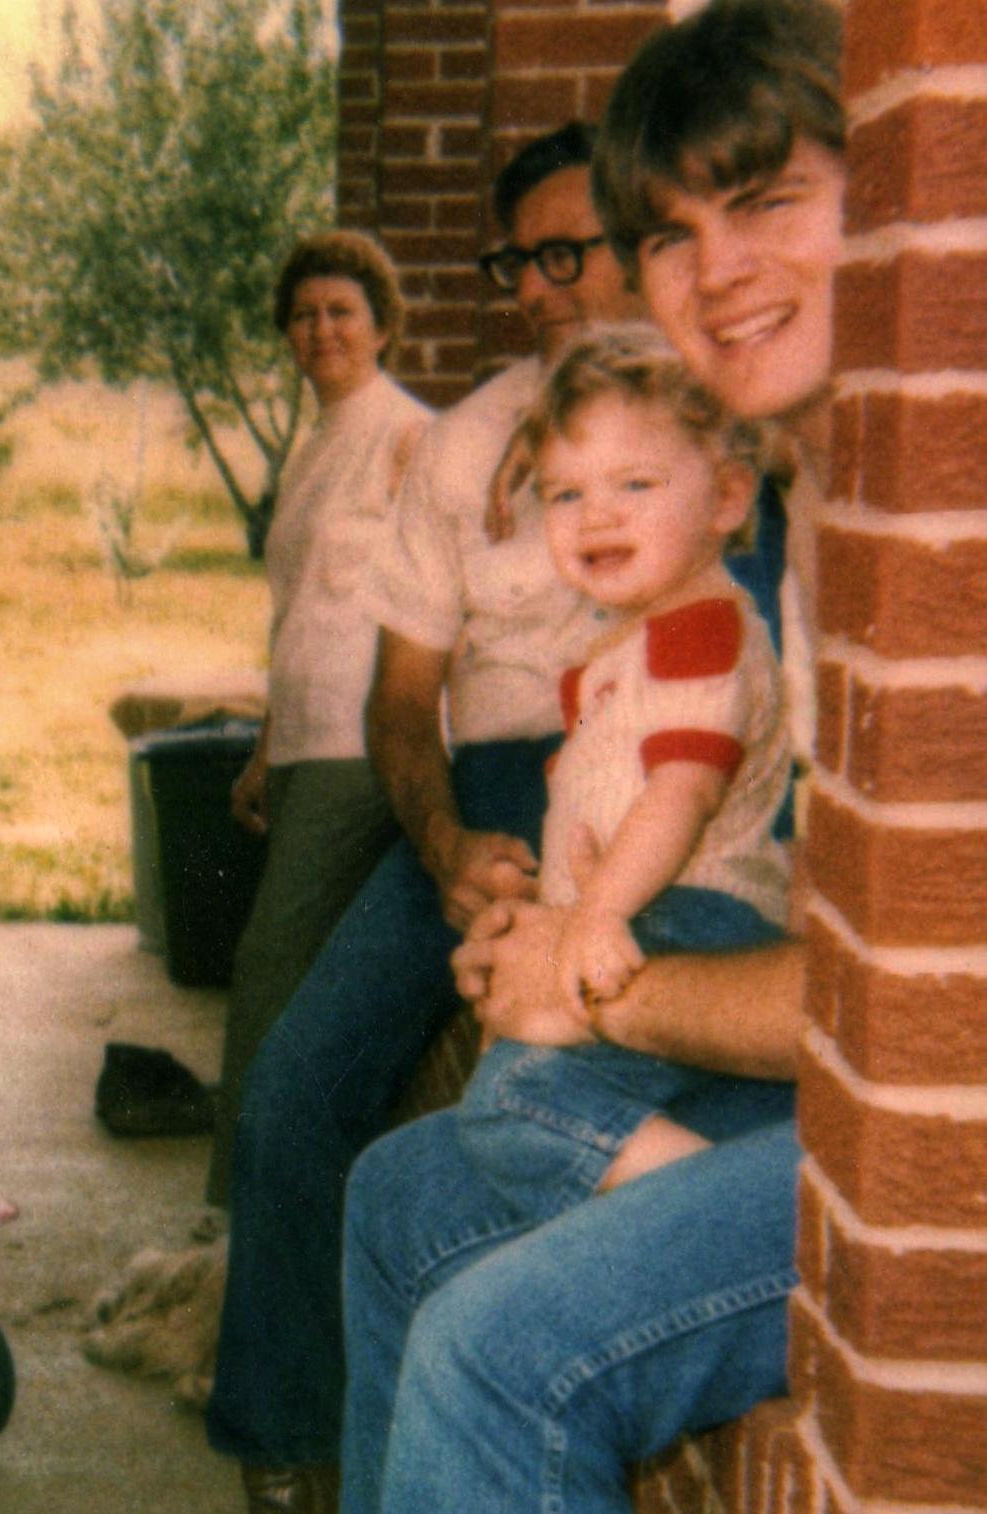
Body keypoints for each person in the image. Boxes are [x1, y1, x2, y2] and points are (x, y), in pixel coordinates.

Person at [340, 3, 844, 1510]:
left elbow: (927, 1018)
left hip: (928, 1153)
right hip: (830, 1055)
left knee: (495, 1348)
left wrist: (587, 975)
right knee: (395, 1190)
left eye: (763, 201)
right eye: (671, 234)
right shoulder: (821, 502)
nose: (719, 271)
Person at [204, 122, 645, 1513]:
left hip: (651, 778)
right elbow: (402, 701)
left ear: (646, 243)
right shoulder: (466, 441)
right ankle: (285, 1441)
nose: (535, 287)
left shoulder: (713, 412)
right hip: (486, 782)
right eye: (517, 261)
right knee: (289, 1089)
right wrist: (445, 840)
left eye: (566, 251)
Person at [454, 323, 792, 1218]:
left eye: (634, 484)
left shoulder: (699, 631)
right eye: (565, 494)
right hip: (638, 916)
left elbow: (683, 790)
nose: (595, 515)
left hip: (698, 918)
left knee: (518, 1101)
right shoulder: (620, 649)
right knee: (506, 1095)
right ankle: (674, 1199)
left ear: (724, 497)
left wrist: (592, 919)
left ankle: (737, 1215)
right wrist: (554, 915)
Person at [202, 232, 432, 1205]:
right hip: (301, 739)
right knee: (294, 971)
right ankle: (292, 1193)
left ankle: (242, 1209)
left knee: (268, 963)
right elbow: (298, 612)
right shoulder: (313, 448)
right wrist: (263, 749)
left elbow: (429, 610)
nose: (322, 328)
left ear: (383, 325)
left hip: (358, 745)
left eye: (342, 310)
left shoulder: (412, 437)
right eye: (304, 315)